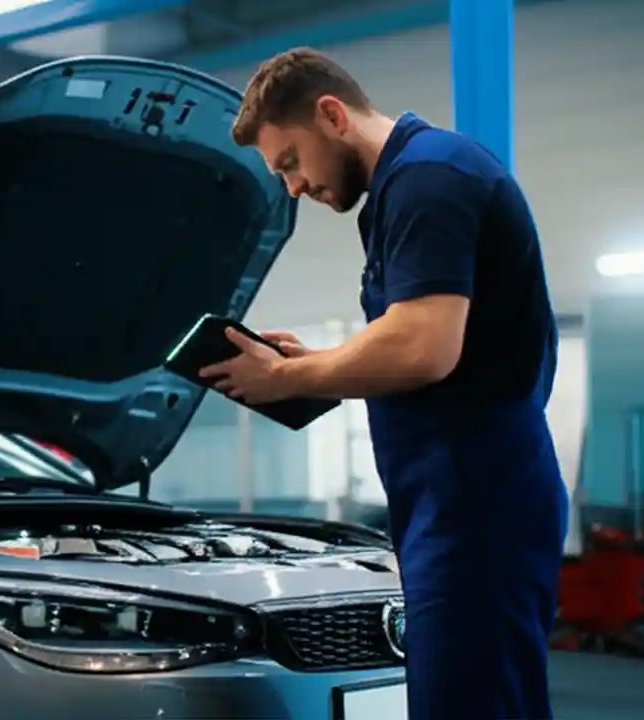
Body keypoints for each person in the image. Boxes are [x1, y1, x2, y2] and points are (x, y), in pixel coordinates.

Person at [199, 48, 568, 720]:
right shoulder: (406, 186)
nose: (292, 188)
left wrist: (287, 376)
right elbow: (411, 336)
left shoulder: (432, 178)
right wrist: (323, 360)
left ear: (332, 115)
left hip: (479, 500)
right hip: (456, 498)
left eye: (289, 162)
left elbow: (422, 349)